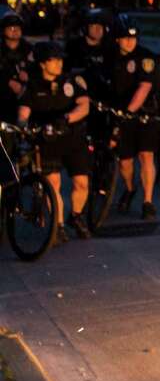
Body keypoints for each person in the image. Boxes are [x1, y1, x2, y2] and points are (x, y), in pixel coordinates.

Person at [16, 41, 91, 242]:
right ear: (42, 63)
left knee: (82, 182)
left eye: (60, 59)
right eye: (54, 60)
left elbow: (84, 105)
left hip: (73, 136)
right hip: (47, 140)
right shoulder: (32, 86)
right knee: (54, 183)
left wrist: (67, 118)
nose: (59, 63)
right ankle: (58, 225)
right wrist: (23, 126)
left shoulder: (71, 81)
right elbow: (23, 113)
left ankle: (76, 215)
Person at [105, 14, 160, 221]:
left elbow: (144, 87)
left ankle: (148, 201)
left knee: (146, 155)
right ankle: (130, 189)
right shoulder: (109, 57)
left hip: (143, 114)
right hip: (119, 114)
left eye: (134, 38)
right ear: (117, 39)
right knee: (125, 162)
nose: (130, 41)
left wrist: (129, 112)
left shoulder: (145, 57)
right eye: (126, 38)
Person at [65, 8, 110, 92]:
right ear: (85, 28)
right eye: (93, 26)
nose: (98, 29)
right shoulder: (74, 47)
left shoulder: (109, 47)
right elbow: (68, 70)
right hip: (81, 90)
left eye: (100, 26)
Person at [1, 10, 32, 124]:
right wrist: (7, 81)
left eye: (18, 28)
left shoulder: (28, 48)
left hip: (25, 96)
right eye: (11, 28)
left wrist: (28, 74)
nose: (15, 31)